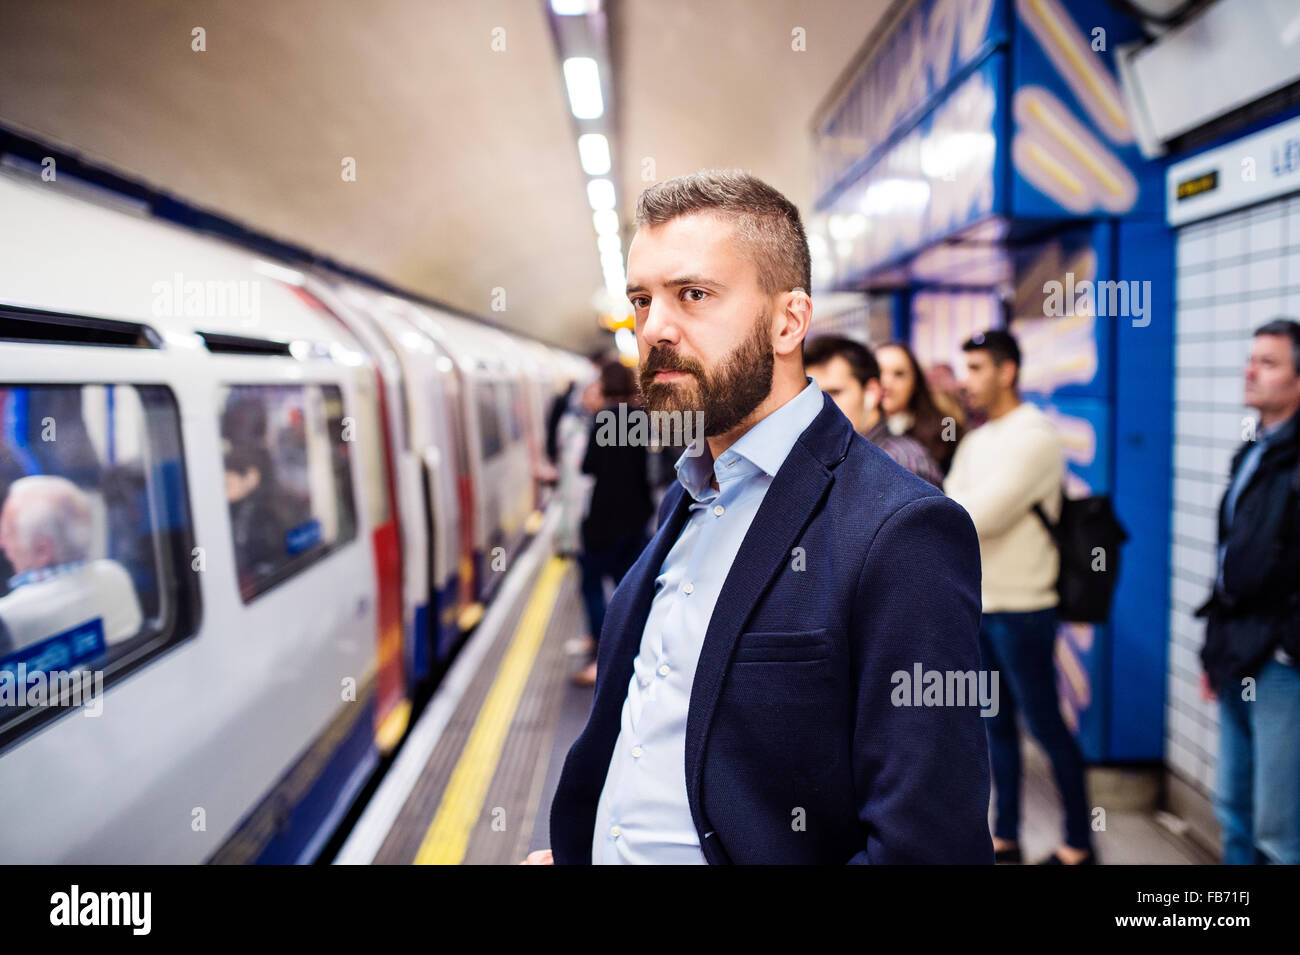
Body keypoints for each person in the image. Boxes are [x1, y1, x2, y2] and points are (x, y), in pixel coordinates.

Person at [528, 169, 989, 865]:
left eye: (693, 295)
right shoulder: (687, 495)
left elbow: (930, 852)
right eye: (641, 300)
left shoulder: (900, 531)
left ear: (789, 320)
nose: (654, 329)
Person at [944, 329, 1093, 865]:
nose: (967, 382)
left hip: (1025, 608)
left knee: (1046, 726)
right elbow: (950, 507)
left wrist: (958, 508)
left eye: (977, 368)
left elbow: (971, 515)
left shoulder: (1036, 436)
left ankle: (1079, 841)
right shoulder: (979, 439)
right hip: (982, 606)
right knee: (995, 728)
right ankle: (1004, 837)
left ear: (1007, 371)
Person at [1196, 318, 1300, 865]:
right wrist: (1212, 651)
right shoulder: (1254, 451)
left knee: (1278, 827)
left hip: (1280, 665)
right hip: (1236, 651)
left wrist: (1287, 644)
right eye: (1251, 358)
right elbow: (1227, 561)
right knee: (1233, 807)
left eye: (1269, 362)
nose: (1251, 370)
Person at [572, 362, 654, 688]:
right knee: (626, 587)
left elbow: (588, 466)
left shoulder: (603, 420)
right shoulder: (642, 417)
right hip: (637, 515)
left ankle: (599, 655)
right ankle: (628, 650)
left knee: (591, 584)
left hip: (604, 517)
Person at [0, 474, 142, 652]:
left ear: (43, 551)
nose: (2, 543)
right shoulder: (115, 575)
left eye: (9, 533)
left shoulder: (8, 618)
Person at [805, 334, 943, 486]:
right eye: (813, 395)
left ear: (872, 391)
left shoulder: (901, 463)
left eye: (835, 393)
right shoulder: (830, 456)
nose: (822, 404)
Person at [877, 341, 964, 474]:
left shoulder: (946, 426)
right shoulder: (857, 430)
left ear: (915, 381)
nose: (886, 382)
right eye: (879, 372)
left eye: (899, 374)